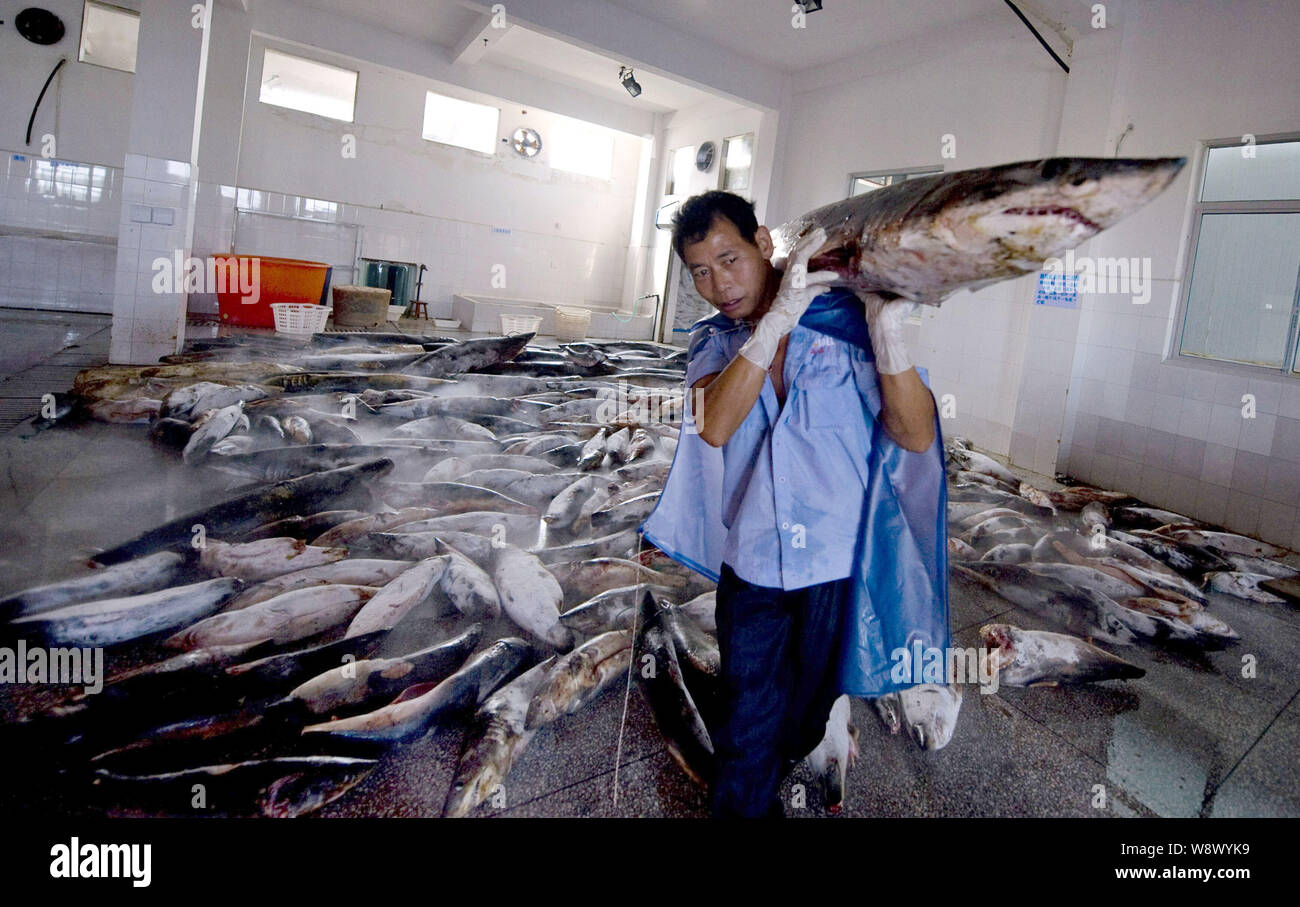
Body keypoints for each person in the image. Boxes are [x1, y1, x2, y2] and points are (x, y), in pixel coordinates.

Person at [639, 191, 949, 818]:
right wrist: (773, 324)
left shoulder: (843, 326)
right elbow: (717, 423)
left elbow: (915, 436)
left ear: (763, 242)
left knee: (806, 716)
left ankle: (785, 754)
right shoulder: (711, 345)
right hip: (752, 569)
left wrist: (887, 336)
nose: (718, 283)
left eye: (730, 259)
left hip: (834, 571)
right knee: (747, 723)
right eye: (700, 270)